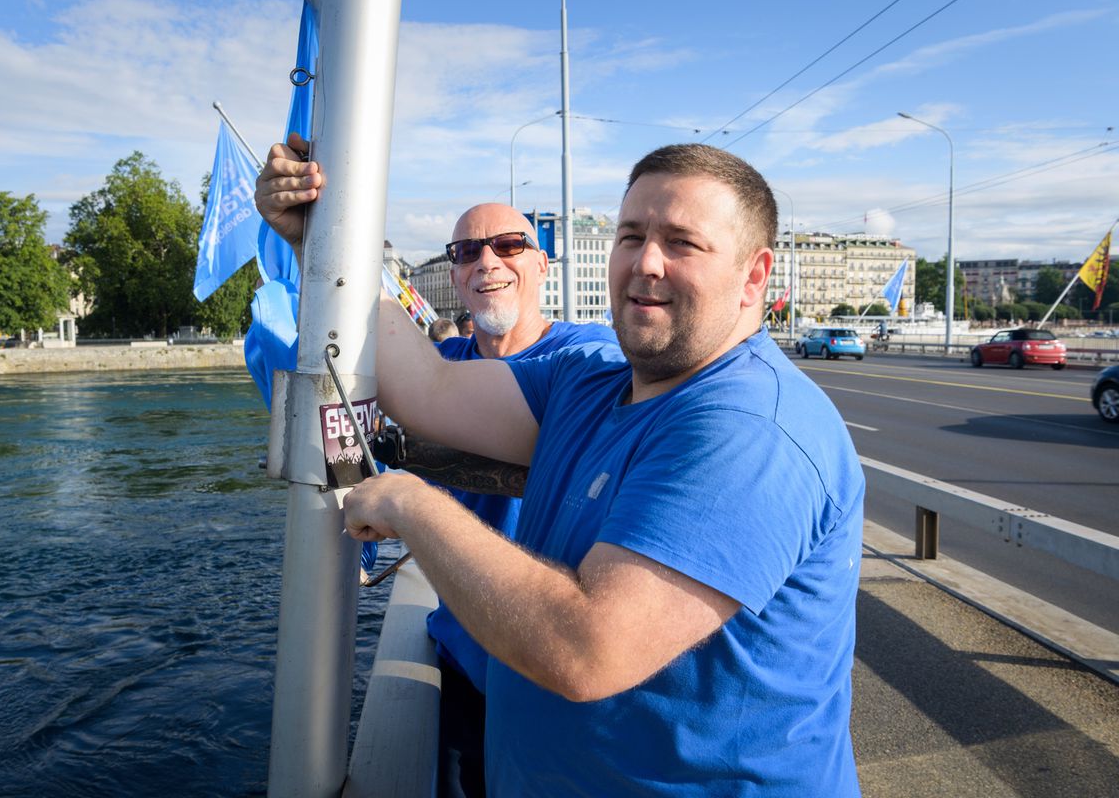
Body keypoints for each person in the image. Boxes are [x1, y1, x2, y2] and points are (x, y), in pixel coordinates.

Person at [265, 140, 863, 796]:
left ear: (754, 276)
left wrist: (412, 503)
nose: (646, 264)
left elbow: (587, 648)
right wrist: (320, 244)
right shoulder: (586, 382)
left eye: (682, 242)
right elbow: (426, 388)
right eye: (631, 235)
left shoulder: (750, 428)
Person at [255, 132, 618, 798]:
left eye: (510, 246)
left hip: (556, 657)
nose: (488, 261)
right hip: (471, 653)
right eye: (467, 251)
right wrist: (315, 239)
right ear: (453, 275)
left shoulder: (588, 361)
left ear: (543, 265)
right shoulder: (438, 372)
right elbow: (360, 445)